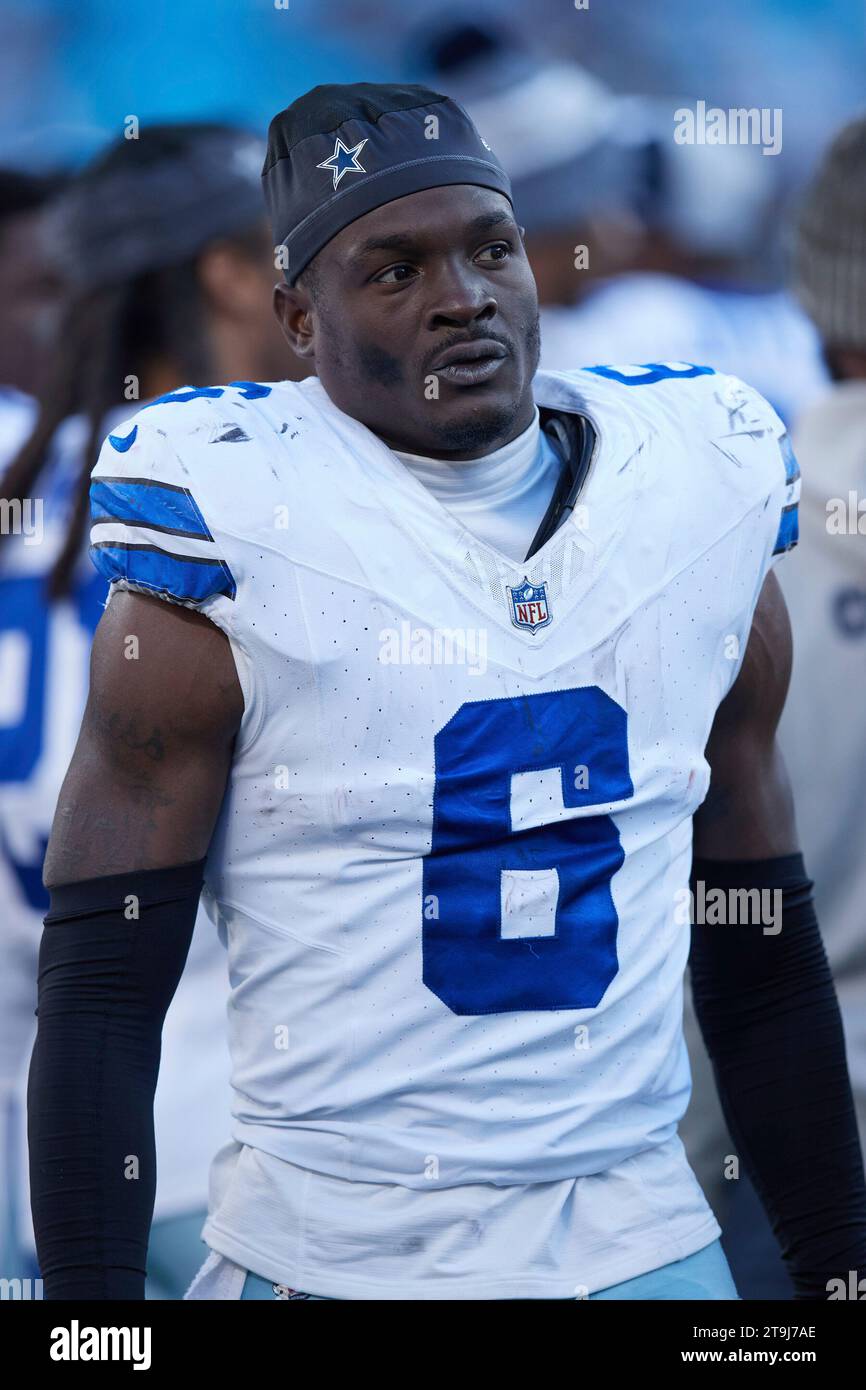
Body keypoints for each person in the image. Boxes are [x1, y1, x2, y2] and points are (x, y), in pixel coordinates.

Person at [28, 82, 866, 1302]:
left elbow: (757, 944)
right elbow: (106, 985)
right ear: (297, 322)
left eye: (489, 247)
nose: (462, 296)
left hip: (639, 1242)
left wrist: (835, 1272)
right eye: (392, 269)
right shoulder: (231, 527)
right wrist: (88, 1320)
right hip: (337, 1257)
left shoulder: (698, 485)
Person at [1, 121, 297, 1297]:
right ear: (229, 271)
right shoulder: (259, 497)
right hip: (258, 1151)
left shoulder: (31, 502)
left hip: (64, 1166)